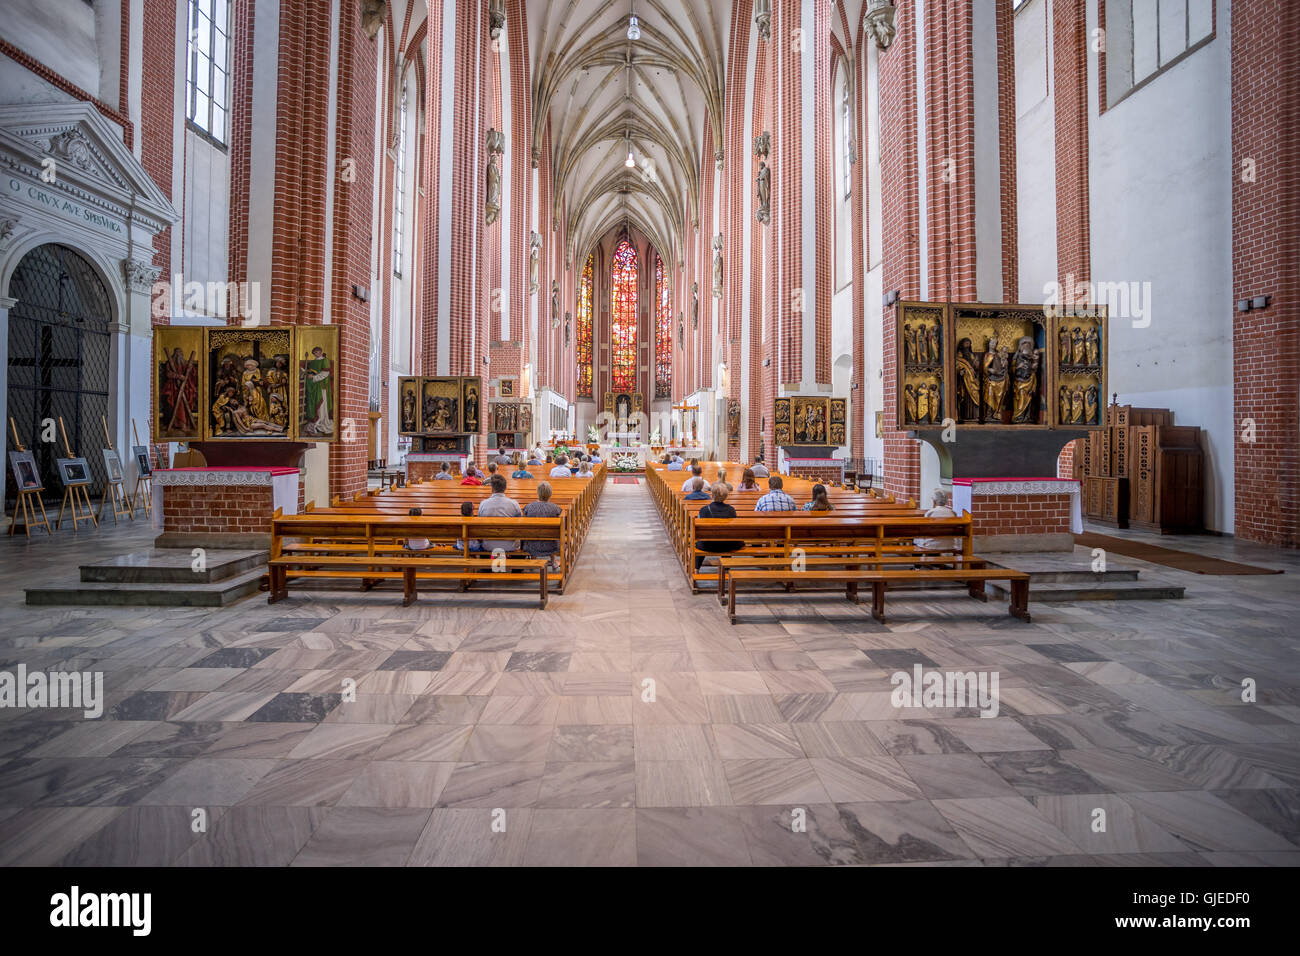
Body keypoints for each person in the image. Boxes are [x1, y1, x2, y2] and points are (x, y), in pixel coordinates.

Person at [695, 484, 742, 570]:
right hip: (728, 545)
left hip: (708, 545)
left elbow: (698, 527)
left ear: (712, 495)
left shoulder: (704, 510)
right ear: (725, 496)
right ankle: (726, 567)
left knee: (699, 543)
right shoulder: (731, 510)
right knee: (727, 537)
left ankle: (696, 569)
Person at [522, 481, 563, 571]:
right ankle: (553, 560)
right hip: (551, 545)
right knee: (551, 534)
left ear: (538, 493)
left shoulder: (529, 507)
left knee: (533, 532)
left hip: (532, 544)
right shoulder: (556, 508)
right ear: (550, 493)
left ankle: (533, 559)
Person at [478, 473, 522, 552]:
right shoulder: (514, 504)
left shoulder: (483, 504)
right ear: (505, 488)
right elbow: (520, 524)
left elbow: (479, 525)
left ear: (492, 488)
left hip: (488, 545)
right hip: (510, 545)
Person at [915, 488, 960, 553]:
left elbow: (924, 529)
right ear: (946, 501)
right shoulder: (952, 513)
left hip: (931, 545)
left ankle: (918, 562)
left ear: (934, 501)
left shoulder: (930, 513)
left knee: (916, 540)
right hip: (950, 544)